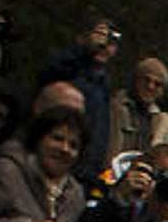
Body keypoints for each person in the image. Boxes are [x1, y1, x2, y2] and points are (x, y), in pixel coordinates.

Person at [35, 18, 118, 182]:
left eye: (111, 42)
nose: (104, 47)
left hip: (87, 169)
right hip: (55, 157)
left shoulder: (104, 84)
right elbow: (49, 74)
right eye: (99, 37)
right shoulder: (68, 69)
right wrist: (84, 50)